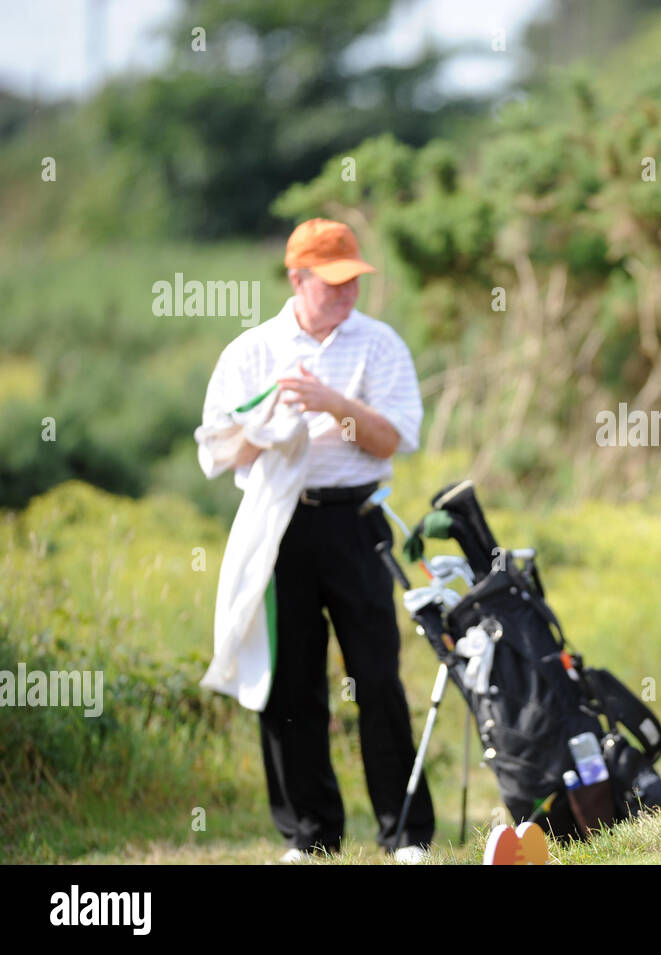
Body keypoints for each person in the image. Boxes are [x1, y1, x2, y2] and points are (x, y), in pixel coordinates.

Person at [198, 218, 435, 861]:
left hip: (356, 521)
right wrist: (272, 421)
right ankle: (310, 835)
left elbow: (392, 440)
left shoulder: (380, 345)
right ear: (297, 278)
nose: (345, 294)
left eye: (352, 281)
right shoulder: (251, 351)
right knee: (290, 683)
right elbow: (220, 452)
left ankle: (404, 833)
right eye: (331, 284)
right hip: (280, 524)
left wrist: (335, 404)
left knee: (377, 676)